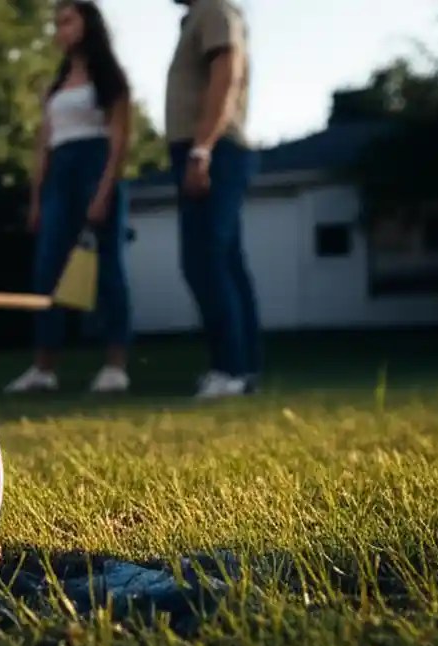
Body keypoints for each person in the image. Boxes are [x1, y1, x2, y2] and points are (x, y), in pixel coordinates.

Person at [5, 0, 134, 394]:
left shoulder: (111, 80)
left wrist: (104, 192)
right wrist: (37, 199)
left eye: (67, 21)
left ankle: (115, 365)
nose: (60, 30)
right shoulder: (56, 86)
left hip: (95, 168)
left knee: (108, 270)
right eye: (57, 23)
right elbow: (43, 145)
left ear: (87, 24)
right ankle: (44, 367)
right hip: (59, 176)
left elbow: (119, 141)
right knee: (47, 271)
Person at [166, 0, 261, 399]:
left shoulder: (215, 10)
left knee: (204, 260)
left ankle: (230, 369)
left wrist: (201, 149)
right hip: (206, 148)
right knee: (224, 261)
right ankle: (242, 368)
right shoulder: (198, 17)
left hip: (213, 148)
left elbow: (227, 74)